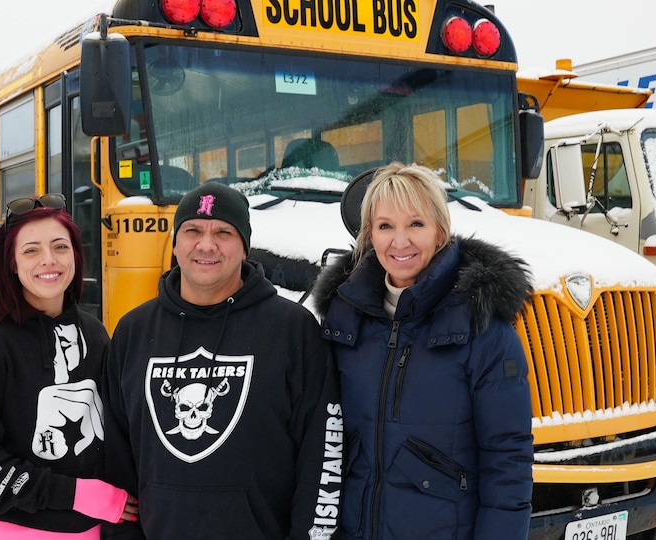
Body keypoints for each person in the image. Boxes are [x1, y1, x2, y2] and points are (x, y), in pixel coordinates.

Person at [101, 182, 343, 540]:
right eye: (193, 230)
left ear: (244, 245)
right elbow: (115, 460)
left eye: (223, 232)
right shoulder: (133, 331)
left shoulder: (292, 330)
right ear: (176, 242)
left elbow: (323, 455)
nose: (206, 244)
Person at [311, 162, 534, 539]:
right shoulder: (344, 319)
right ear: (369, 234)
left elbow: (507, 461)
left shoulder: (481, 326)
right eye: (385, 226)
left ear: (441, 232)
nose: (400, 242)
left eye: (416, 224)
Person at [0, 193, 138, 540]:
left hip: (96, 533)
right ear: (12, 264)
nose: (49, 260)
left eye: (60, 247)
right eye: (31, 250)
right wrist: (75, 495)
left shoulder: (94, 332)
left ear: (76, 256)